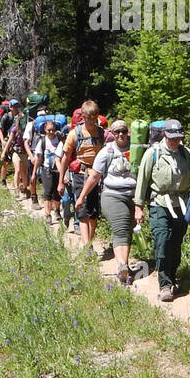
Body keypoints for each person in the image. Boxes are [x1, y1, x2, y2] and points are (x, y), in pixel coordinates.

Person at [135, 119, 190, 301]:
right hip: (159, 203)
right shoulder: (153, 153)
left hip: (181, 204)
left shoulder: (186, 154)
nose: (175, 141)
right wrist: (138, 207)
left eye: (178, 137)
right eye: (171, 137)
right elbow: (142, 180)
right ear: (164, 135)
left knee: (175, 243)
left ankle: (172, 278)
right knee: (162, 241)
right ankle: (164, 285)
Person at [80, 120, 140, 286]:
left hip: (133, 196)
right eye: (116, 132)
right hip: (112, 195)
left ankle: (124, 264)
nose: (120, 134)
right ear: (112, 134)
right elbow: (94, 176)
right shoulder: (107, 152)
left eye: (123, 131)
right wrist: (81, 196)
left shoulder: (137, 150)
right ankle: (122, 265)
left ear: (128, 131)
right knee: (121, 228)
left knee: (127, 230)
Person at [58, 101, 106, 252]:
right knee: (82, 211)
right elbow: (65, 158)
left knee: (93, 213)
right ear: (83, 117)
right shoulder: (74, 134)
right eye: (88, 117)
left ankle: (89, 241)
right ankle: (87, 246)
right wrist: (60, 181)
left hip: (97, 176)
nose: (91, 121)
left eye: (94, 117)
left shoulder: (101, 133)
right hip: (80, 174)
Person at [32, 118, 63, 226]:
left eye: (53, 130)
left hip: (58, 170)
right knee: (47, 192)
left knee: (57, 193)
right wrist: (34, 172)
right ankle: (48, 214)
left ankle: (57, 210)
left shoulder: (59, 140)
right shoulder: (42, 141)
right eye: (49, 130)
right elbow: (39, 158)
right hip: (46, 170)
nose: (51, 132)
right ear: (45, 130)